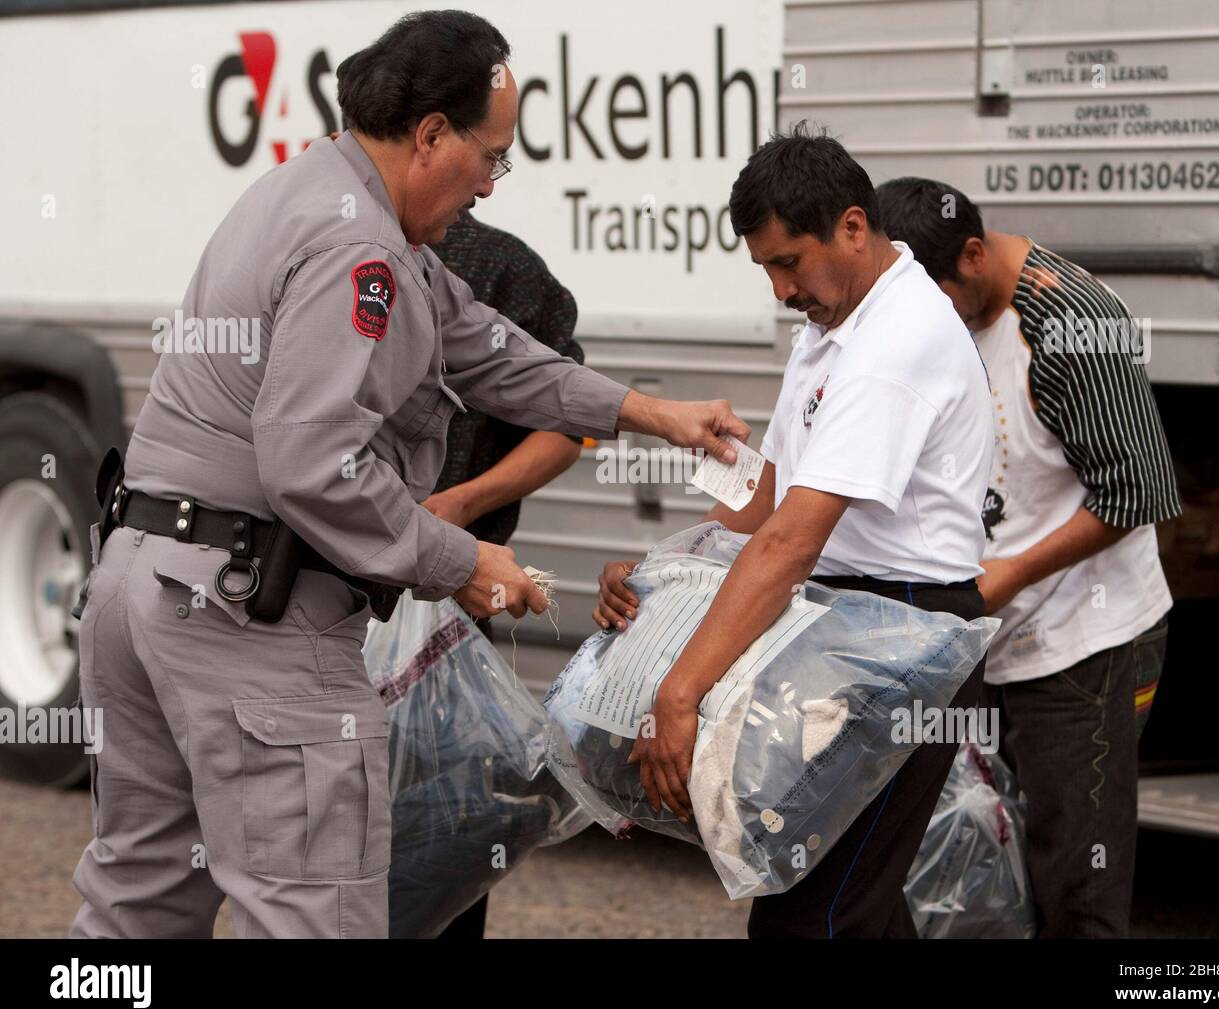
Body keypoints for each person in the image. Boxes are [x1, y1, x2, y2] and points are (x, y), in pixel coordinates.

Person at [69, 10, 747, 940]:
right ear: (432, 134)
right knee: (313, 913)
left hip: (142, 581)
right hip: (246, 615)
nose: (491, 186)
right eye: (492, 157)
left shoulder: (318, 192)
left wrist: (649, 414)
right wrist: (462, 561)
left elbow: (493, 350)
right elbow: (311, 462)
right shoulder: (364, 250)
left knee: (135, 904)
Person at [594, 124, 993, 938]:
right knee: (838, 905)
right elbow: (768, 489)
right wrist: (665, 575)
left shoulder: (894, 341)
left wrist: (680, 692)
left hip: (904, 637)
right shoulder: (835, 322)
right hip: (840, 624)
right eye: (765, 268)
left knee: (819, 913)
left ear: (853, 226)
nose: (779, 291)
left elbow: (789, 540)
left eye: (788, 262)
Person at [875, 176, 1181, 937]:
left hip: (1085, 641)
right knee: (971, 850)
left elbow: (1137, 490)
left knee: (1076, 874)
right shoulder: (926, 311)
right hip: (977, 637)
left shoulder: (1069, 321)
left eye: (934, 303)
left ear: (973, 257)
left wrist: (1005, 575)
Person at [418, 210, 587, 940]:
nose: (488, 178)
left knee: (447, 842)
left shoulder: (501, 269)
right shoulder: (319, 249)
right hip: (325, 612)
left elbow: (566, 422)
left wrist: (459, 503)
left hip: (452, 607)